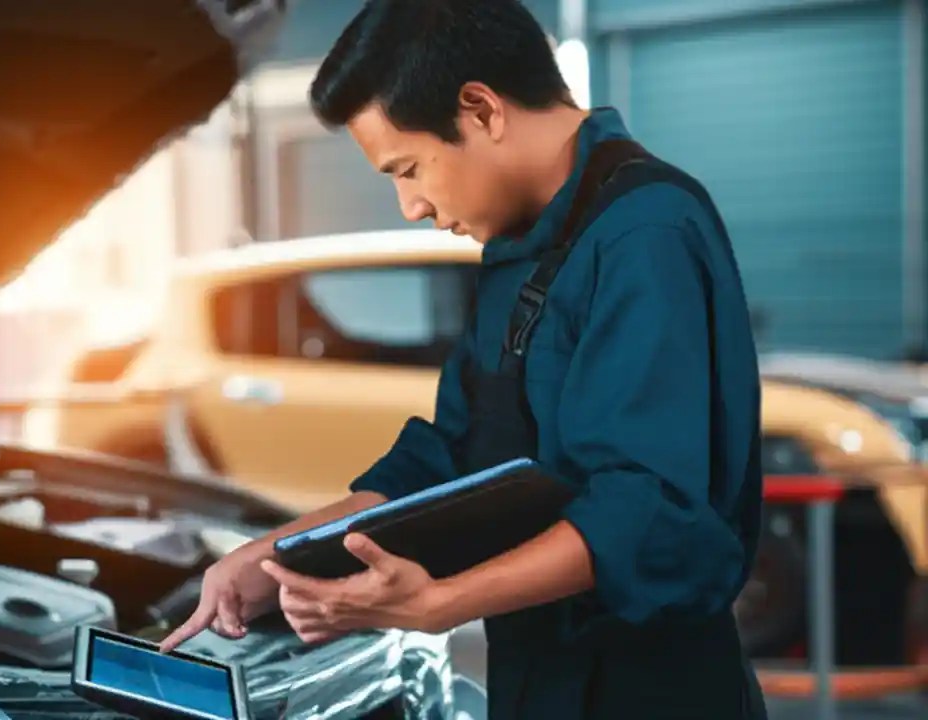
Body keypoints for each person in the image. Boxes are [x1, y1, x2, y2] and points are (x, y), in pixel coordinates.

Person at [161, 1, 767, 717]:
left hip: (651, 689)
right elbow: (447, 456)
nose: (410, 206)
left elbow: (647, 506)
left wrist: (439, 603)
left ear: (481, 109)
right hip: (541, 674)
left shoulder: (646, 233)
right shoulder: (521, 246)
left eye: (409, 168)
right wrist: (274, 557)